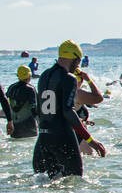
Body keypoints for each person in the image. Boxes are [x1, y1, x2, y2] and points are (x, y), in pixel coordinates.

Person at [33, 40, 106, 178]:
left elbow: (39, 110)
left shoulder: (43, 76)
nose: (78, 65)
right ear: (74, 58)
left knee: (46, 182)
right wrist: (91, 141)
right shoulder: (69, 78)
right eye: (78, 61)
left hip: (43, 138)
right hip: (62, 136)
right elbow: (67, 111)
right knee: (75, 182)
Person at [6, 65, 38, 139]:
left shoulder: (11, 87)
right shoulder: (30, 89)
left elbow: (6, 103)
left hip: (14, 127)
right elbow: (33, 108)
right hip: (28, 126)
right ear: (29, 76)